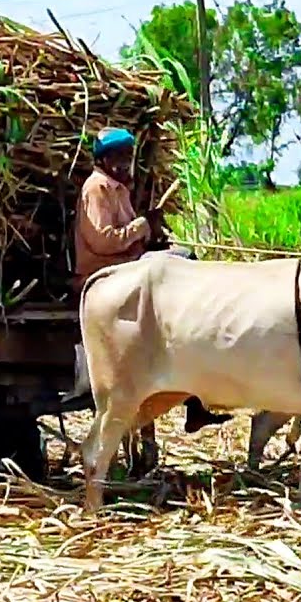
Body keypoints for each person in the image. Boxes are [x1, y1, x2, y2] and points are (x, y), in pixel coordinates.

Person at [73, 126, 231, 434]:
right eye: (117, 157)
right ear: (103, 159)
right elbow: (104, 241)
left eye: (126, 157)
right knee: (182, 261)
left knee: (184, 257)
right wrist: (143, 226)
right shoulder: (98, 188)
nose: (124, 163)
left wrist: (151, 238)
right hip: (105, 274)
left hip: (126, 266)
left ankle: (196, 390)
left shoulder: (118, 188)